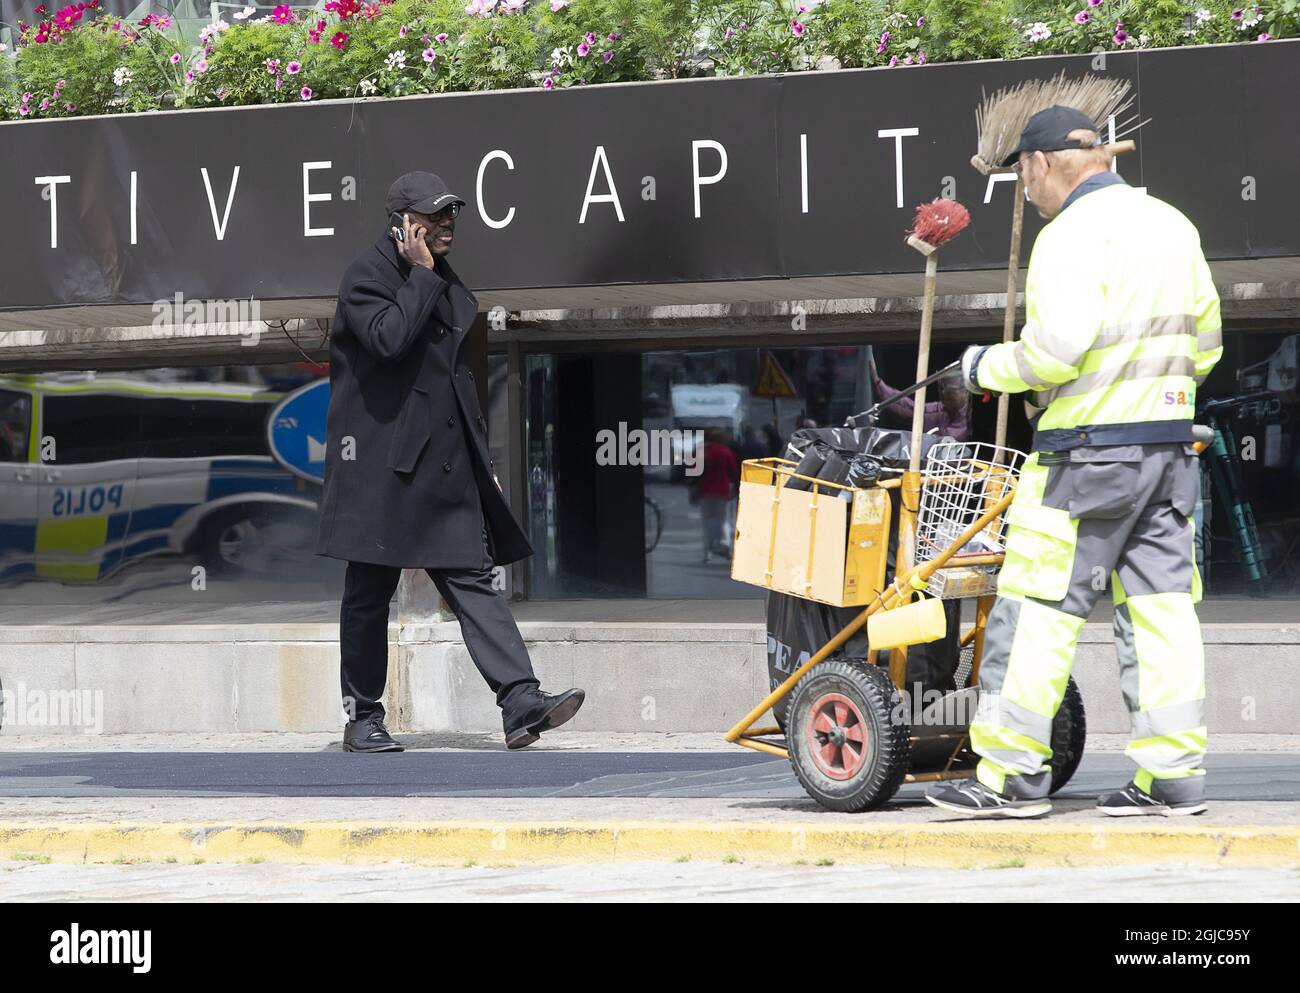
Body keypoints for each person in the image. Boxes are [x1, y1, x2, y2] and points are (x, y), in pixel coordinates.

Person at [927, 107, 1222, 818]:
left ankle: (1009, 778)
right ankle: (1172, 776)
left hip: (1085, 461)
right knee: (1161, 610)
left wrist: (979, 367)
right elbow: (1206, 342)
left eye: (1023, 176)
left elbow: (1054, 350)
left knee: (1034, 611)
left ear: (1042, 163)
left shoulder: (1069, 237)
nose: (1025, 192)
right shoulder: (1173, 225)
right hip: (1169, 456)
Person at [316, 171, 585, 753]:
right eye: (434, 217)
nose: (447, 225)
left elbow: (453, 382)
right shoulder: (368, 276)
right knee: (367, 594)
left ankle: (520, 702)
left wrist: (478, 455)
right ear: (402, 226)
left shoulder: (439, 279)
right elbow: (388, 341)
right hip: (380, 471)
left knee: (473, 580)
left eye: (451, 216)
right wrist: (419, 276)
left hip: (440, 466)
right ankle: (363, 719)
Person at [870, 356, 972, 442]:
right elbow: (909, 409)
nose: (944, 392)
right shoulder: (939, 409)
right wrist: (878, 383)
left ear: (966, 391)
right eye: (941, 388)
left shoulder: (974, 416)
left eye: (950, 390)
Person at [693, 428, 739, 563]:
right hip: (723, 490)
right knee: (723, 519)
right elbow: (733, 472)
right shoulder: (726, 452)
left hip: (705, 490)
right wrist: (735, 488)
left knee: (706, 521)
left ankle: (707, 552)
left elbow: (694, 472)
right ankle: (725, 544)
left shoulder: (702, 452)